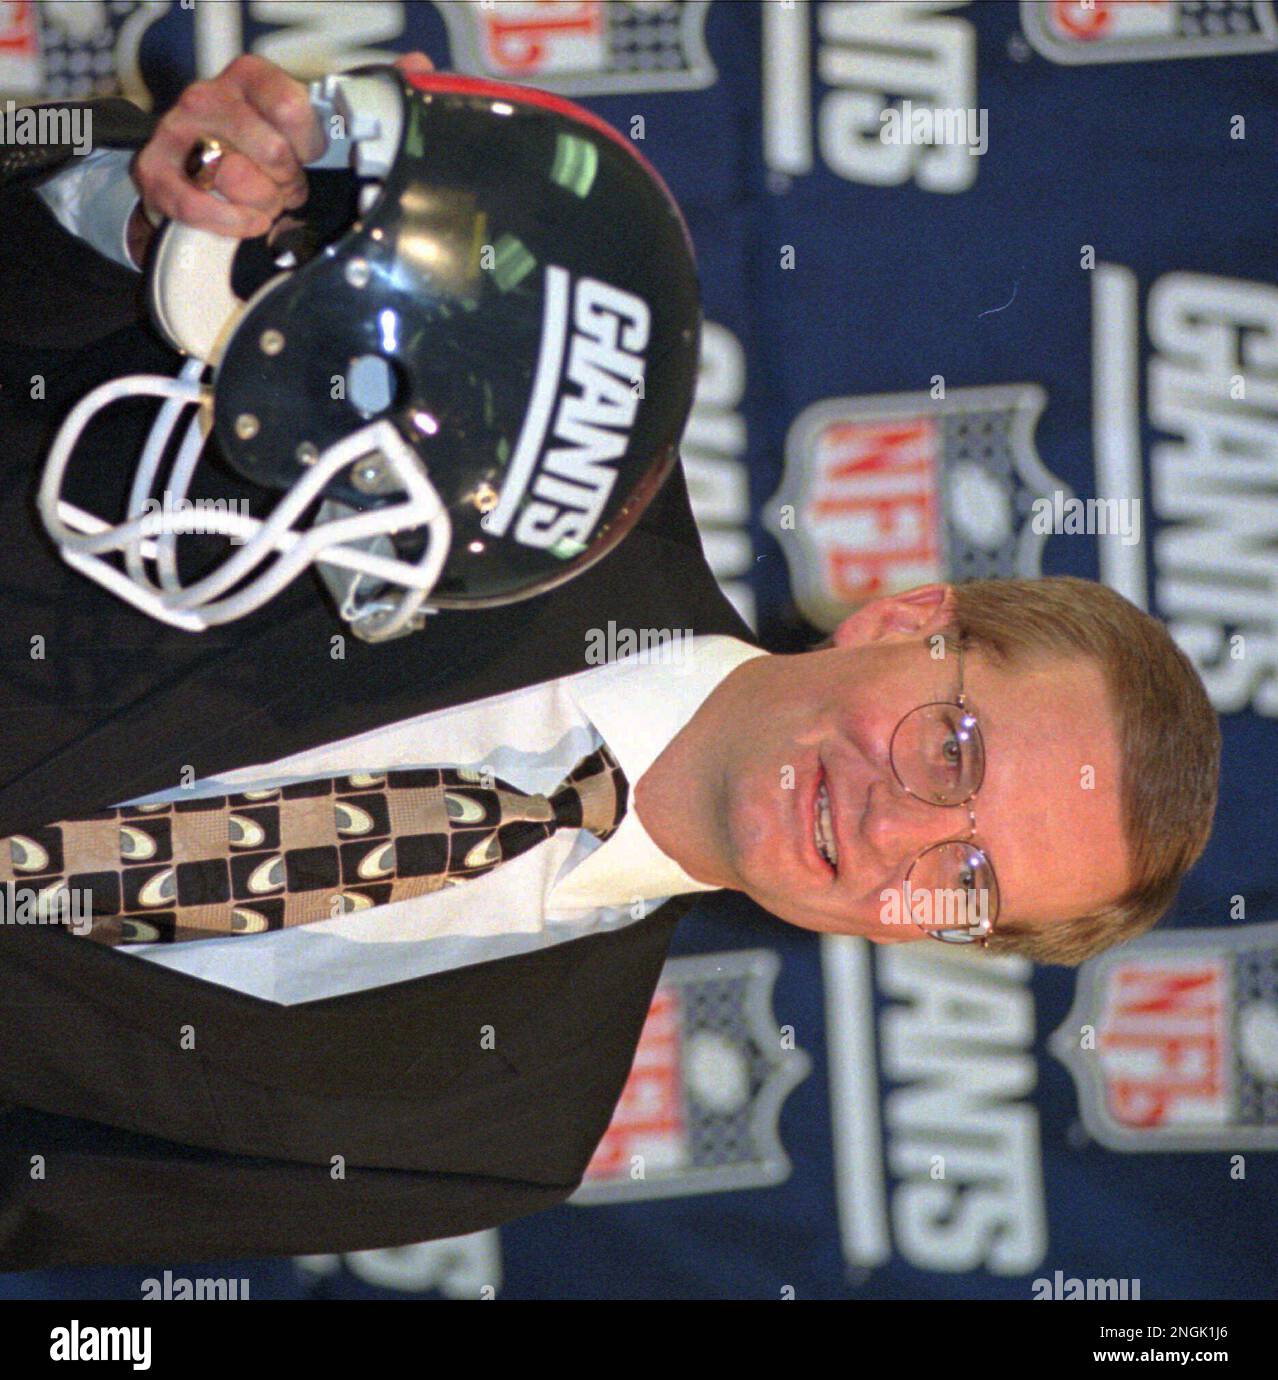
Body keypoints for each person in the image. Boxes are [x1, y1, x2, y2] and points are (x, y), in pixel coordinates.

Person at [0, 54, 1220, 1270]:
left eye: (964, 875)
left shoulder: (507, 1135)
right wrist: (145, 206)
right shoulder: (532, 402)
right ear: (906, 619)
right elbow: (105, 246)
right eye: (954, 752)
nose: (899, 829)